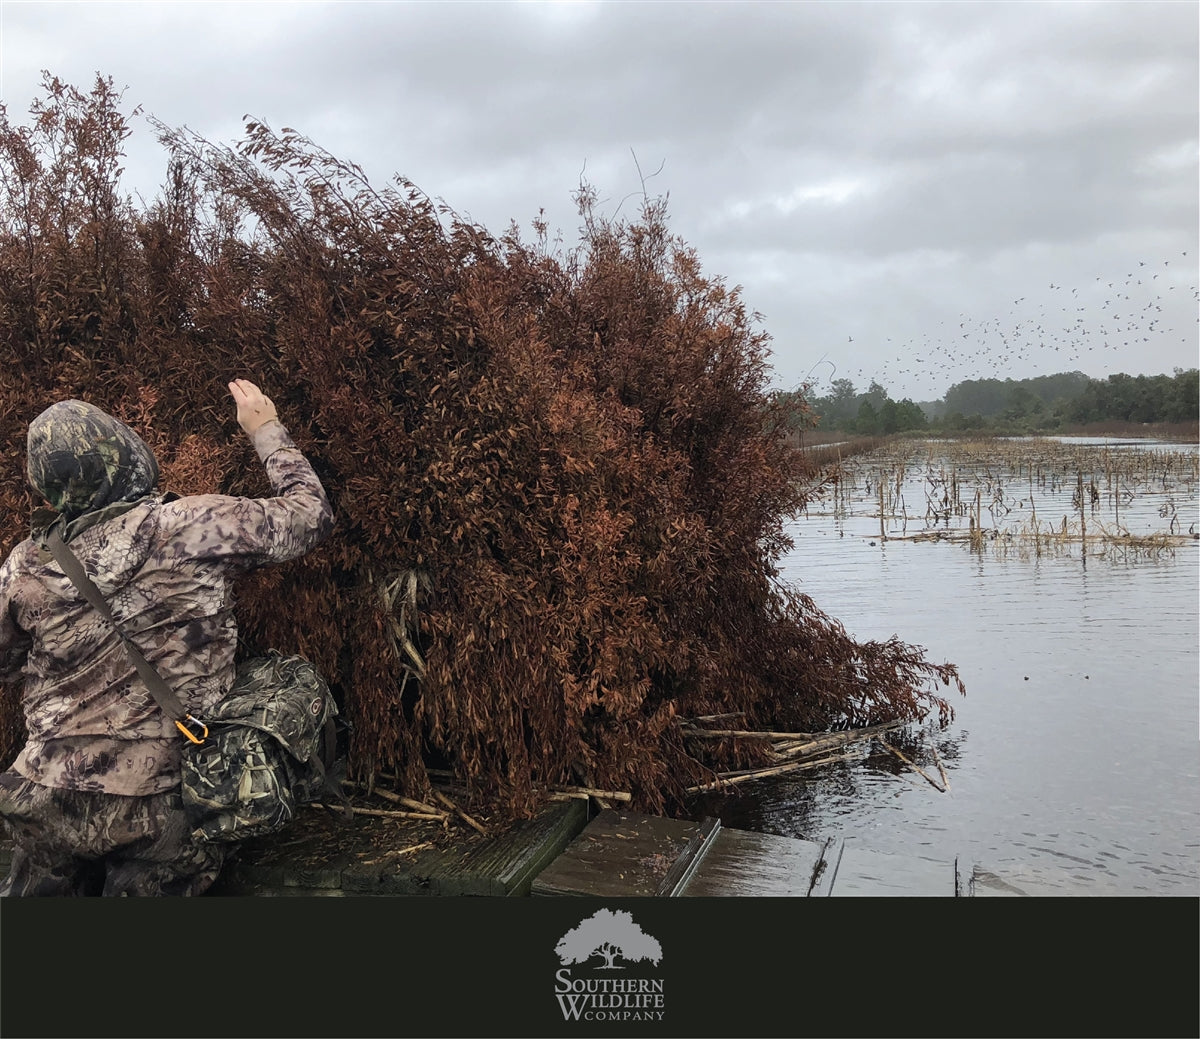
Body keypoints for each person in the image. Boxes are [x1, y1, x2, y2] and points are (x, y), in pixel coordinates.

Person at [0, 379, 333, 896]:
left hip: (43, 795)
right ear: (123, 450)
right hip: (157, 801)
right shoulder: (190, 524)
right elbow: (309, 516)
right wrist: (266, 428)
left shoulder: (24, 563)